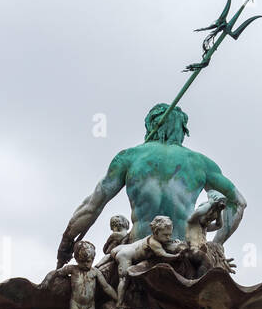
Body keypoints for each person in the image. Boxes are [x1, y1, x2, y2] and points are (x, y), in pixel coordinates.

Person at [57, 104, 246, 266]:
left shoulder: (129, 157)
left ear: (150, 126)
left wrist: (66, 243)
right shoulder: (201, 163)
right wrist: (217, 244)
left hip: (139, 251)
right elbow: (239, 202)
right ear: (181, 129)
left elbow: (92, 207)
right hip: (184, 254)